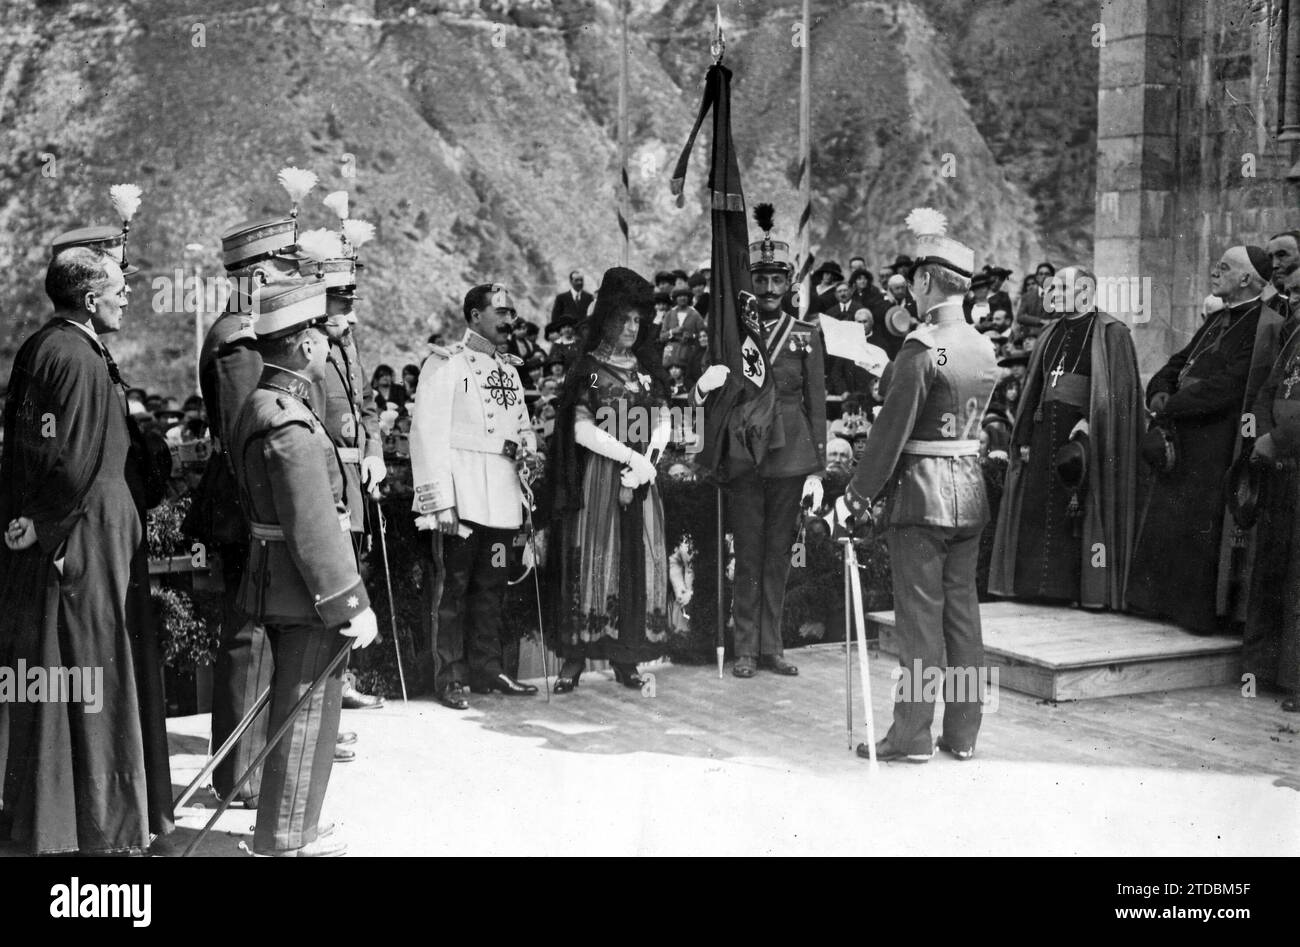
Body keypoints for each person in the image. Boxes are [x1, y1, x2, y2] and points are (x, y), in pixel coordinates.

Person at [1, 247, 174, 854]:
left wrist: (31, 520)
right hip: (83, 533)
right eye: (120, 288)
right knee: (96, 665)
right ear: (90, 299)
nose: (128, 297)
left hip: (79, 527)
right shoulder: (73, 356)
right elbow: (63, 459)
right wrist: (45, 528)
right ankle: (105, 823)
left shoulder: (55, 348)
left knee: (68, 672)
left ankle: (68, 821)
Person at [834, 207, 999, 763]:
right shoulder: (982, 346)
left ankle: (910, 735)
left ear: (927, 282)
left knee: (920, 625)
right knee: (963, 620)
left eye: (914, 281)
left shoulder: (922, 348)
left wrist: (855, 496)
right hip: (970, 492)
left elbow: (889, 435)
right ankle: (963, 733)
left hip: (922, 499)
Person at [226, 278, 378, 856]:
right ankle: (287, 837)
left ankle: (287, 829)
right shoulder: (288, 419)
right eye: (321, 334)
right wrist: (350, 603)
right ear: (305, 345)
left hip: (276, 580)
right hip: (304, 588)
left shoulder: (262, 404)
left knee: (297, 703)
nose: (329, 344)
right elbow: (314, 526)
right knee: (309, 708)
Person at [194, 214, 305, 808]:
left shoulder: (248, 329)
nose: (293, 277)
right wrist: (273, 516)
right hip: (246, 509)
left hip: (251, 507)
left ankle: (251, 761)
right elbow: (247, 441)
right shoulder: (239, 340)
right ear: (259, 272)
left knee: (258, 632)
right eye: (285, 267)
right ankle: (239, 772)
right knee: (249, 635)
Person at [696, 204, 826, 678]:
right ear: (749, 282)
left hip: (790, 455)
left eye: (777, 279)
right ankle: (745, 646)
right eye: (760, 279)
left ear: (790, 283)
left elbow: (816, 402)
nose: (769, 289)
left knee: (778, 553)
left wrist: (816, 468)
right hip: (746, 456)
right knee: (747, 551)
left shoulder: (808, 335)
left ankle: (773, 645)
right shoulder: (733, 339)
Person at [1127, 245, 1284, 635]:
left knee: (1199, 525)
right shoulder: (1219, 317)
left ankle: (1192, 612)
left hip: (1215, 437)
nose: (1216, 271)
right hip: (1183, 425)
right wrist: (1160, 390)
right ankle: (1155, 603)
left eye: (1225, 267)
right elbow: (1180, 359)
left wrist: (1171, 405)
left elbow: (1229, 385)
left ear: (1247, 278)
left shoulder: (1265, 325)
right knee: (1168, 520)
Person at [409, 284, 539, 710]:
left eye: (513, 312)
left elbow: (522, 425)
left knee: (492, 584)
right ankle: (450, 676)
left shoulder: (510, 371)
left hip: (501, 502)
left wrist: (529, 449)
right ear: (474, 316)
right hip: (463, 500)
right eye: (501, 311)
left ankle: (488, 669)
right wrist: (440, 501)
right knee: (456, 587)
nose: (509, 320)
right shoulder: (446, 365)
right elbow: (426, 435)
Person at [546, 267, 670, 693]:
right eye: (625, 319)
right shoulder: (591, 370)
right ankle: (574, 660)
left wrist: (648, 461)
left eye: (639, 320)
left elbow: (663, 417)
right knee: (592, 557)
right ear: (608, 319)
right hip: (599, 477)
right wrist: (630, 456)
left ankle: (627, 658)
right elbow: (581, 430)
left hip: (640, 478)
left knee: (634, 560)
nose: (632, 328)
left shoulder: (645, 367)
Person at [989, 266, 1143, 608]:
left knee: (1076, 517)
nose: (1051, 293)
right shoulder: (1049, 333)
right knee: (1038, 510)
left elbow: (1118, 396)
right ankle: (1034, 589)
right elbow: (1035, 390)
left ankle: (1076, 591)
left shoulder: (1111, 333)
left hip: (1083, 441)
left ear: (1085, 292)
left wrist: (1090, 422)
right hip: (1044, 435)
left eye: (1060, 287)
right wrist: (1025, 436)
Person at [1243, 259, 1300, 709]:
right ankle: (1266, 670)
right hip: (1279, 468)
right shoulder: (1293, 334)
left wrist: (1278, 440)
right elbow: (1268, 388)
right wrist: (1263, 433)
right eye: (1292, 293)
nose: (1293, 302)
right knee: (1274, 569)